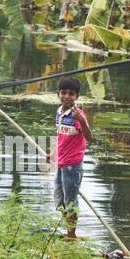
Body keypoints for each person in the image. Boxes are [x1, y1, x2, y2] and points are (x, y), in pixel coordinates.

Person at [53, 77, 92, 240]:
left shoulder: (78, 115)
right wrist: (52, 153)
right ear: (58, 94)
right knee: (59, 200)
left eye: (71, 94)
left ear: (77, 96)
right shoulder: (59, 112)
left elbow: (89, 137)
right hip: (61, 164)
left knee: (71, 201)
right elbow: (60, 137)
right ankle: (68, 229)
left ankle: (71, 234)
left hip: (72, 166)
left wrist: (82, 121)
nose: (67, 96)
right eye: (64, 93)